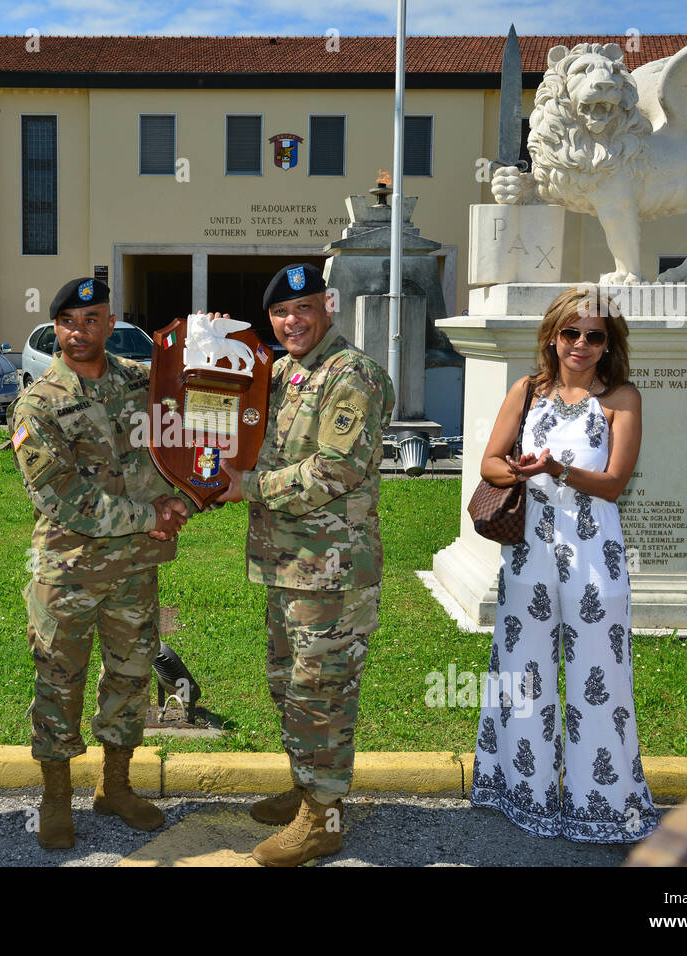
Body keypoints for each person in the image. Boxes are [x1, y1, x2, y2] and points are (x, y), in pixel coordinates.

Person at [216, 262, 393, 866]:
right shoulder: (287, 372)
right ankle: (304, 789)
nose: (292, 322)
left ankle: (324, 820)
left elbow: (334, 470)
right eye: (280, 314)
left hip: (331, 570)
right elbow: (215, 398)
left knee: (323, 693)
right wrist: (209, 345)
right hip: (284, 563)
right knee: (287, 684)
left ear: (329, 308)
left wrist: (250, 488)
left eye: (303, 309)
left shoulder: (353, 376)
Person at [470, 285, 659, 842]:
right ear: (552, 336)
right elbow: (489, 461)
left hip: (595, 558)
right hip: (530, 554)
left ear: (608, 344)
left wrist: (558, 470)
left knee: (599, 678)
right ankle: (520, 790)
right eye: (570, 332)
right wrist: (521, 472)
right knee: (521, 673)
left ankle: (601, 802)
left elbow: (616, 484)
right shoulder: (527, 390)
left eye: (594, 336)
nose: (580, 343)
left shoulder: (621, 398)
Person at [7, 276, 190, 850]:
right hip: (68, 571)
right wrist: (149, 517)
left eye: (91, 320)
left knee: (131, 676)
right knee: (60, 680)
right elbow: (58, 495)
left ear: (110, 324)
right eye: (67, 321)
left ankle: (115, 785)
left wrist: (191, 493)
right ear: (54, 327)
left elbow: (192, 433)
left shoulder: (142, 383)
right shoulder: (38, 402)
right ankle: (56, 796)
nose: (78, 331)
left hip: (134, 569)